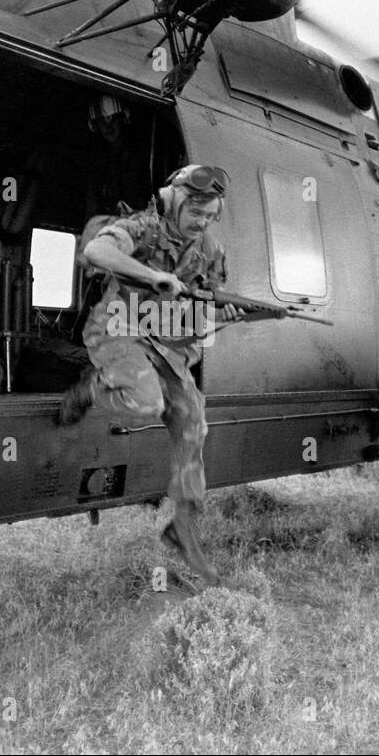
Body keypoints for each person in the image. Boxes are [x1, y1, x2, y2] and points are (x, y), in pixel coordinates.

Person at [59, 164, 241, 585]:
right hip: (119, 328)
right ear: (176, 202)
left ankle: (183, 525)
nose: (203, 222)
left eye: (211, 216)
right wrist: (154, 276)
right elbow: (97, 253)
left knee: (192, 418)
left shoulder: (210, 251)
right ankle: (92, 388)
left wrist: (225, 316)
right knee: (145, 402)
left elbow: (204, 310)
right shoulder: (144, 226)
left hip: (165, 341)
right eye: (196, 213)